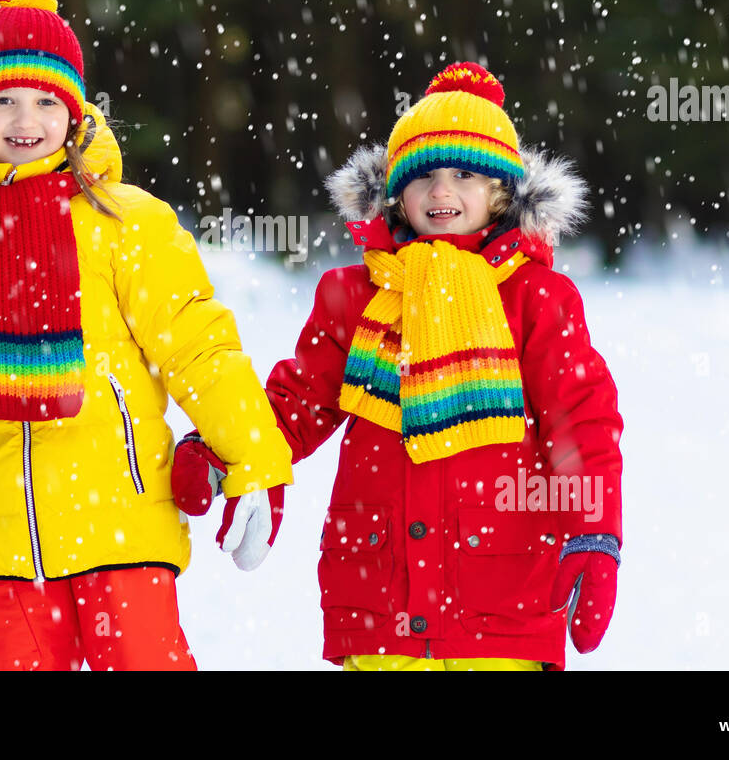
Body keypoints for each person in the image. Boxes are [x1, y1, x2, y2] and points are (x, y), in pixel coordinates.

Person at [0, 0, 291, 670]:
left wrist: (256, 461)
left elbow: (198, 346)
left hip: (124, 525)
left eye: (46, 99)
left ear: (74, 110)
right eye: (3, 101)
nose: (26, 121)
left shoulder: (126, 223)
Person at [173, 62, 623, 670]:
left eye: (464, 173)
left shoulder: (533, 297)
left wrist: (594, 531)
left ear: (502, 192)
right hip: (379, 599)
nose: (441, 192)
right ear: (395, 194)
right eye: (422, 177)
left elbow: (582, 423)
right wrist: (227, 445)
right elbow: (297, 402)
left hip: (499, 603)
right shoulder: (355, 295)